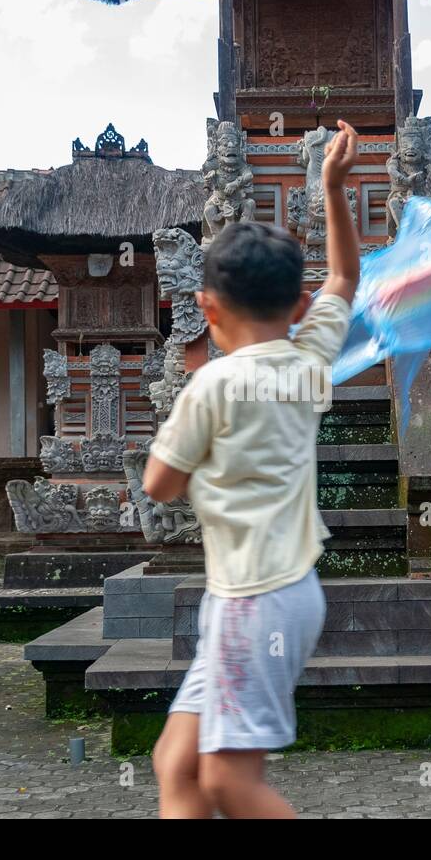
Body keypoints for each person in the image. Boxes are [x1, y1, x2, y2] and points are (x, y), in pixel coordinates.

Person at [143, 120, 361, 818]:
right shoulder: (309, 360)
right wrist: (332, 188)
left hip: (250, 600)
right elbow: (346, 277)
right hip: (278, 594)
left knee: (230, 783)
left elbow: (158, 484)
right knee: (176, 763)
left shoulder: (211, 385)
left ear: (205, 309)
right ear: (297, 307)